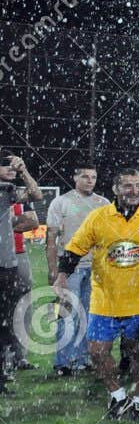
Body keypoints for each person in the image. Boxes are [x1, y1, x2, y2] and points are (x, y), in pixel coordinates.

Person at [54, 166, 139, 419]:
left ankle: (138, 400)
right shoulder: (98, 217)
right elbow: (74, 250)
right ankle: (117, 396)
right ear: (115, 189)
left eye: (138, 186)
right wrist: (61, 277)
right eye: (128, 185)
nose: (134, 191)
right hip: (105, 301)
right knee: (97, 352)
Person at [45, 164, 106, 377]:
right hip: (70, 268)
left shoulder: (103, 203)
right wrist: (53, 269)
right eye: (85, 177)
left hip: (96, 268)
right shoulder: (61, 202)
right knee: (67, 313)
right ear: (75, 178)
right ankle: (62, 361)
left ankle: (82, 359)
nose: (90, 180)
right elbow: (51, 238)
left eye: (93, 177)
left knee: (90, 316)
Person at [0, 154, 45, 383]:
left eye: (11, 165)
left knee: (14, 311)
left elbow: (35, 207)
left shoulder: (10, 191)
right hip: (6, 258)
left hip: (12, 259)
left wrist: (23, 171)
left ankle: (14, 361)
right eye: (5, 166)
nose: (11, 169)